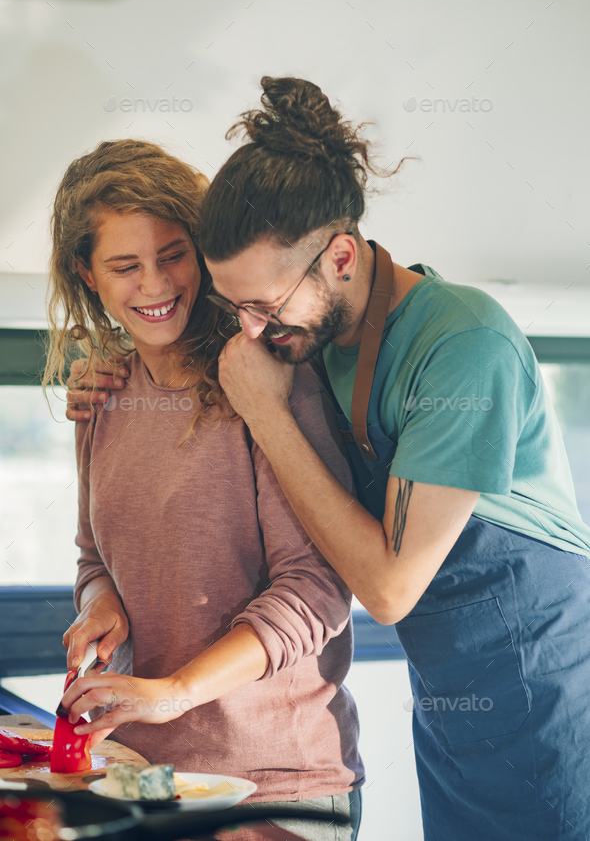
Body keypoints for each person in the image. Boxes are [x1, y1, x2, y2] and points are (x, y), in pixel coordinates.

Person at [191, 77, 590, 840]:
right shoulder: (304, 334)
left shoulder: (462, 342)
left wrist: (268, 412)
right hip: (449, 711)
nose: (248, 330)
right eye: (230, 305)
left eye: (264, 307)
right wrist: (96, 380)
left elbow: (390, 586)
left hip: (552, 696)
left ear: (340, 255)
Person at [45, 138, 364, 841]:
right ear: (87, 274)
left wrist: (176, 692)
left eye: (174, 254)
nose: (156, 286)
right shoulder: (102, 394)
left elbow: (315, 588)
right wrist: (100, 605)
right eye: (125, 266)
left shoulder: (270, 380)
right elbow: (93, 553)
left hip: (277, 787)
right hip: (143, 778)